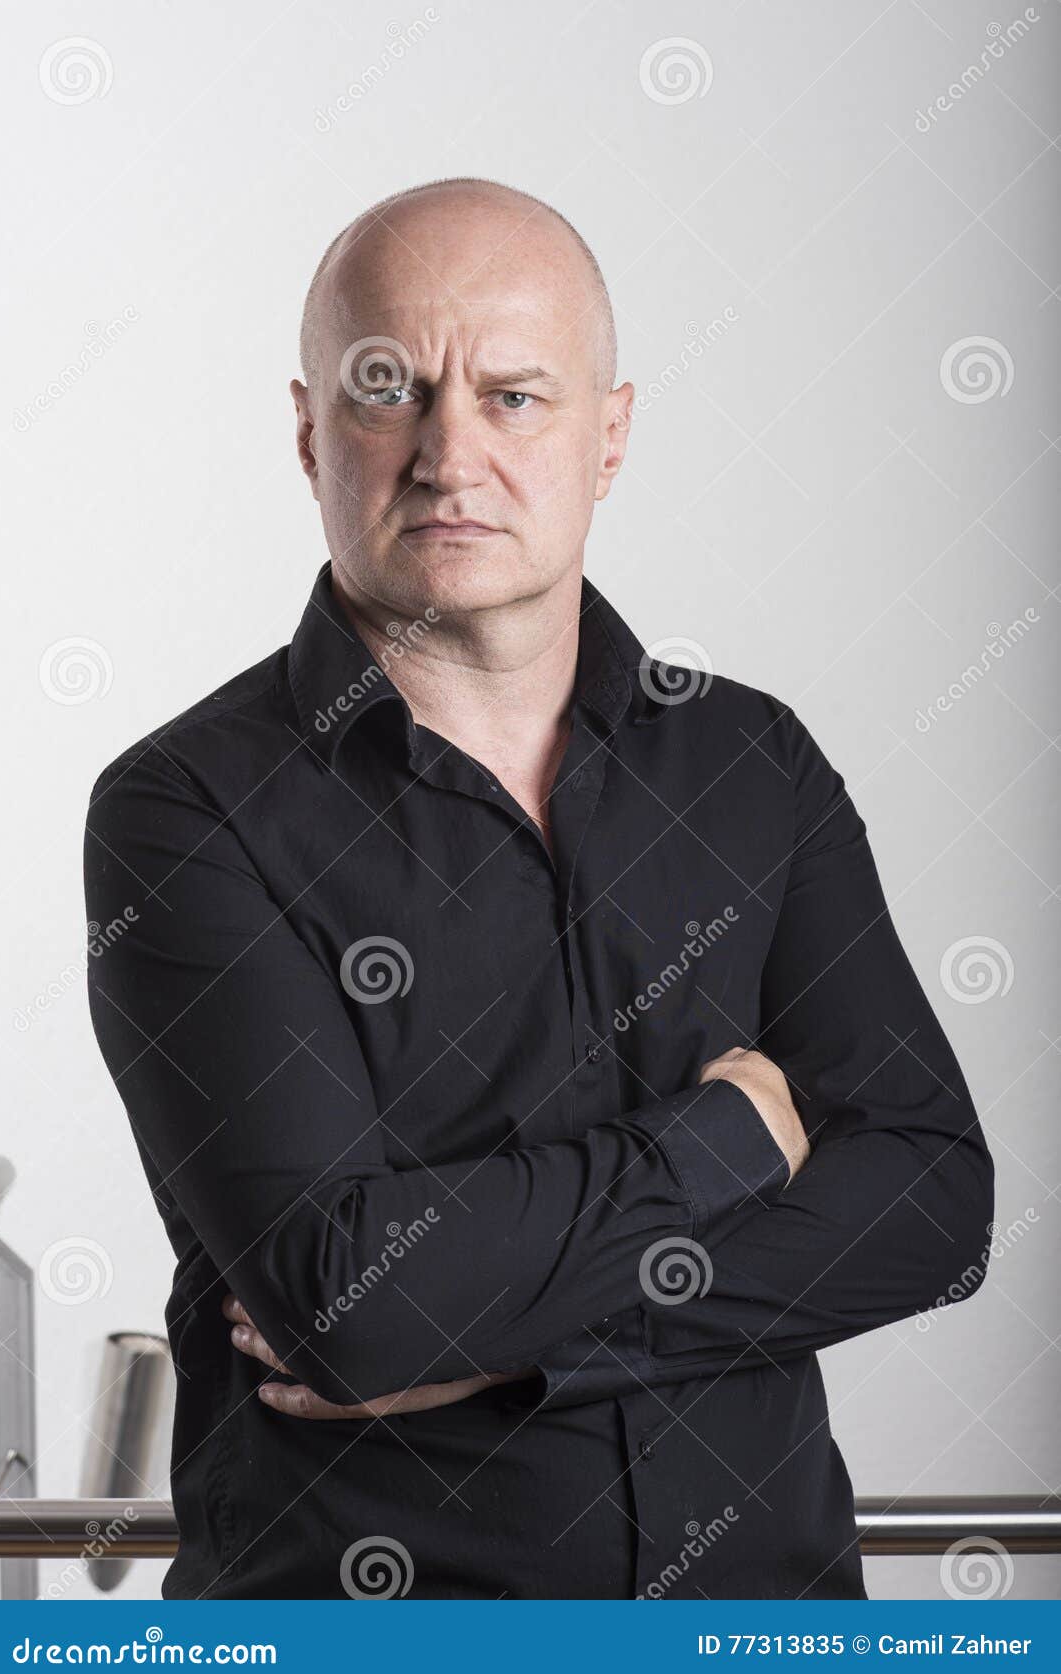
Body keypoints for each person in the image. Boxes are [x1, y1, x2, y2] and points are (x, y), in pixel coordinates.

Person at [84, 176, 994, 1600]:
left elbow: (931, 1204)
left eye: (515, 396)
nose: (452, 454)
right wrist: (726, 1143)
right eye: (392, 390)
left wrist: (518, 1345)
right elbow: (352, 1302)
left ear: (609, 436)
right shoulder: (188, 810)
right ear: (312, 429)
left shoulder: (749, 760)